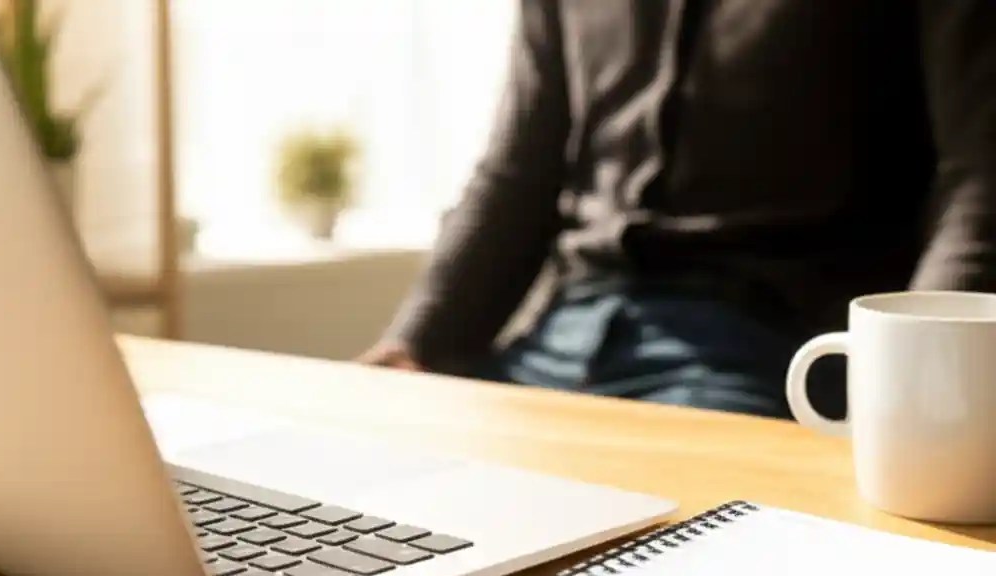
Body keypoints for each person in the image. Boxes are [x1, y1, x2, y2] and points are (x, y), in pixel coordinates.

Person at [360, 1, 995, 418]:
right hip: (558, 338)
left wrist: (915, 386)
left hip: (763, 351)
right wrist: (414, 345)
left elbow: (978, 176)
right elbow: (518, 173)